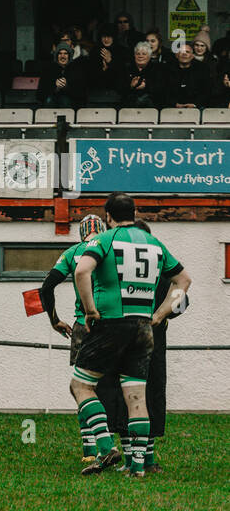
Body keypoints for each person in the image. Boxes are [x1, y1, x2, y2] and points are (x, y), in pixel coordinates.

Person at [73, 193, 192, 478]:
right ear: (135, 212)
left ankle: (103, 446)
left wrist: (90, 310)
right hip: (146, 331)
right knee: (138, 396)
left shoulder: (106, 240)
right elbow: (184, 282)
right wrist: (161, 314)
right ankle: (138, 466)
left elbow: (82, 271)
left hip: (113, 325)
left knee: (82, 385)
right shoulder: (156, 246)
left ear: (107, 216)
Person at [96, 219, 186, 474]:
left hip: (123, 339)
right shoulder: (162, 267)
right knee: (151, 394)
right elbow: (182, 300)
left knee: (126, 395)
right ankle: (148, 458)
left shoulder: (118, 265)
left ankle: (130, 459)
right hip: (154, 339)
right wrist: (162, 314)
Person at [38, 214, 108, 463]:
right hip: (113, 322)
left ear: (81, 233)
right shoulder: (111, 247)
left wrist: (54, 319)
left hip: (83, 325)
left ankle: (90, 450)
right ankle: (125, 447)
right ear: (103, 229)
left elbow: (46, 288)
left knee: (82, 386)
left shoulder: (72, 253)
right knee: (112, 386)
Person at [117, 41, 166, 108]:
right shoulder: (127, 68)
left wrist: (146, 86)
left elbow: (161, 89)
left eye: (144, 54)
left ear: (149, 56)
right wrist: (131, 85)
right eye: (138, 54)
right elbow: (120, 88)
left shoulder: (157, 69)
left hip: (151, 106)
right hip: (129, 106)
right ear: (134, 55)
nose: (140, 56)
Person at [38, 42, 87, 108]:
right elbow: (40, 95)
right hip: (51, 104)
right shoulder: (48, 70)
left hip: (71, 106)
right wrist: (55, 87)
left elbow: (81, 95)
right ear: (56, 56)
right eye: (60, 53)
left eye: (65, 53)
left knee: (65, 100)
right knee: (49, 100)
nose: (62, 56)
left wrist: (67, 87)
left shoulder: (76, 70)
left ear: (69, 56)